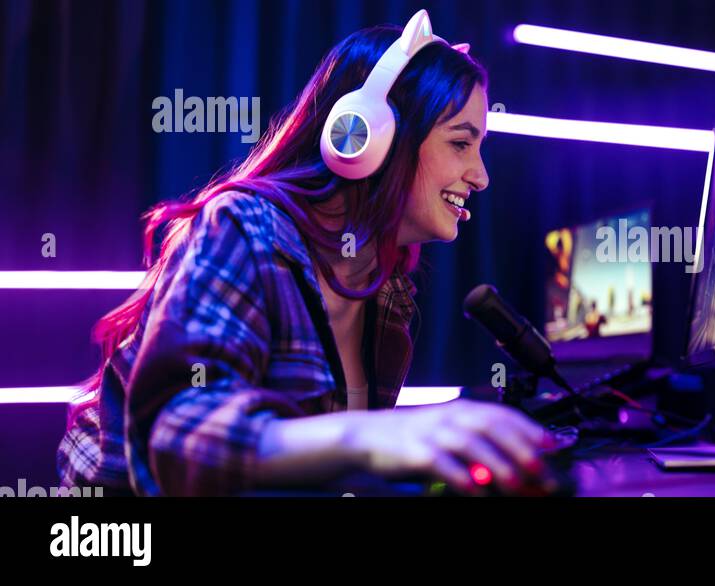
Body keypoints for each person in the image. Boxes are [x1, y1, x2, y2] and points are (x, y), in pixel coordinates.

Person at [56, 13, 550, 496]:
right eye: (461, 143)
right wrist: (376, 436)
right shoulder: (247, 228)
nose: (481, 176)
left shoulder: (388, 294)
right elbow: (182, 438)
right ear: (374, 134)